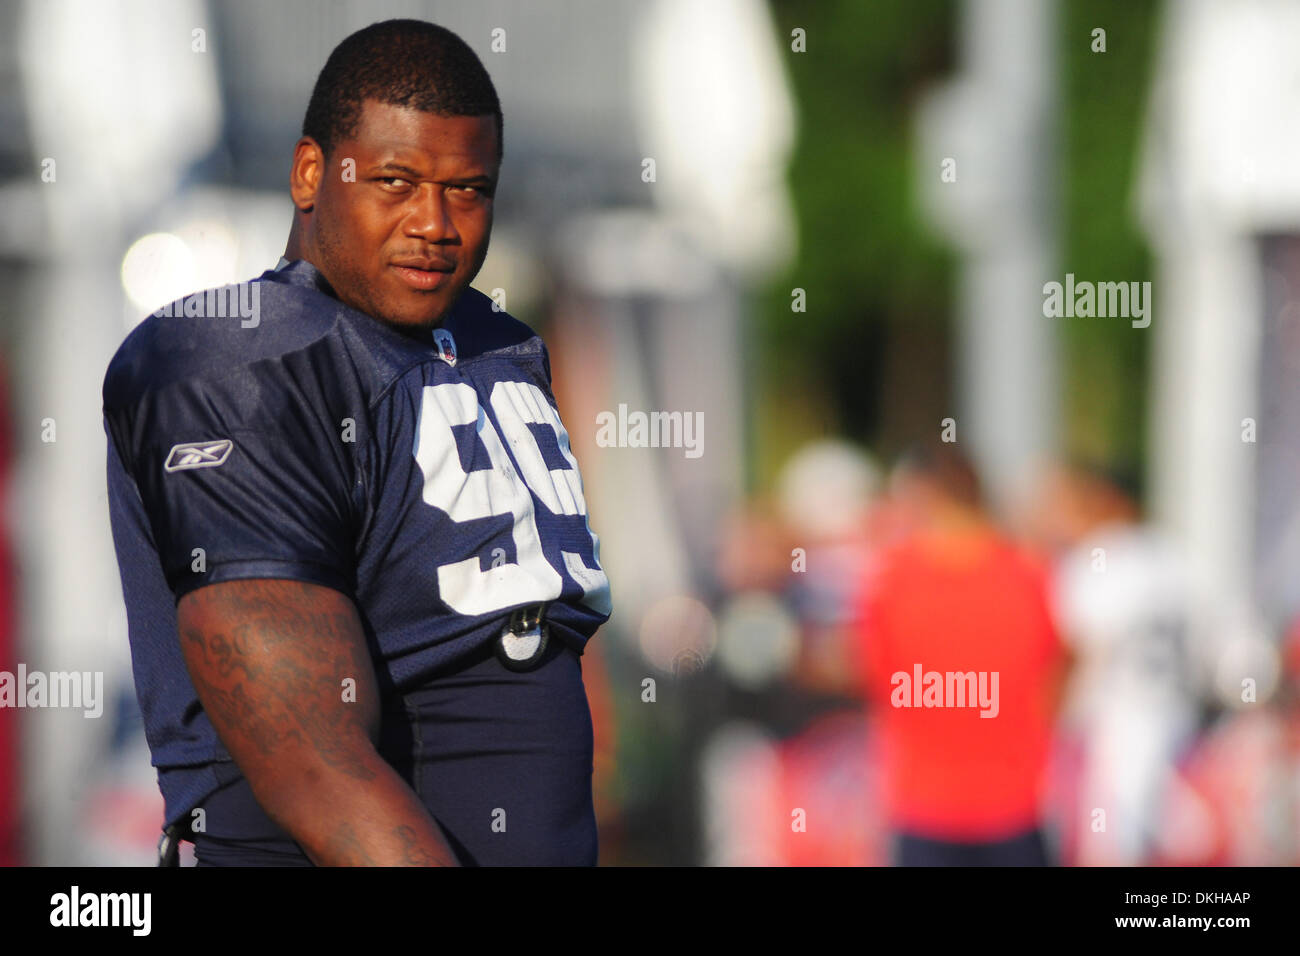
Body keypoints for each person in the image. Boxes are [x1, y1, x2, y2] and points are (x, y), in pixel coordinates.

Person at [102, 19, 611, 866]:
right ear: (311, 174)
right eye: (396, 180)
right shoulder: (237, 356)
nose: (435, 223)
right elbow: (315, 760)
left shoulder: (497, 343)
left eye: (467, 189)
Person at [851, 442, 1068, 866]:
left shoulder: (892, 581)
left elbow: (877, 680)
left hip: (925, 807)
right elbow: (1055, 675)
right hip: (1015, 806)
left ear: (923, 496)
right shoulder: (1029, 573)